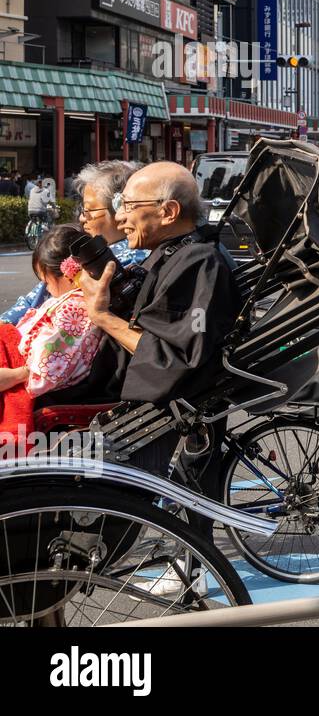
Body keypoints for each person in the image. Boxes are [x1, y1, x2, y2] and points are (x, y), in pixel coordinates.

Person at [79, 162, 239, 536]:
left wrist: (102, 316)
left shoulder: (200, 262)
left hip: (181, 405)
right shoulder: (172, 253)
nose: (120, 217)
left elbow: (176, 357)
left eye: (130, 206)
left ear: (168, 212)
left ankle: (189, 565)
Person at [0, 226, 108, 450]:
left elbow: (43, 374)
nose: (45, 287)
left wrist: (15, 374)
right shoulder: (71, 300)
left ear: (67, 273)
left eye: (46, 281)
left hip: (17, 374)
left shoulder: (76, 308)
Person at [2, 161, 148, 325]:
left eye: (88, 210)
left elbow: (30, 304)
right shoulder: (139, 254)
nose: (82, 218)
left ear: (121, 208)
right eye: (82, 210)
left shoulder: (108, 262)